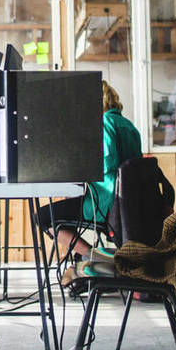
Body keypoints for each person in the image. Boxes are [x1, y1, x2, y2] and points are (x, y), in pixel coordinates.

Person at [35, 80, 142, 265]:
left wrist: (76, 163)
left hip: (105, 203)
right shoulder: (129, 126)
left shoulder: (104, 122)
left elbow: (107, 162)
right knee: (65, 213)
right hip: (128, 207)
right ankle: (86, 258)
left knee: (44, 217)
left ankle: (95, 258)